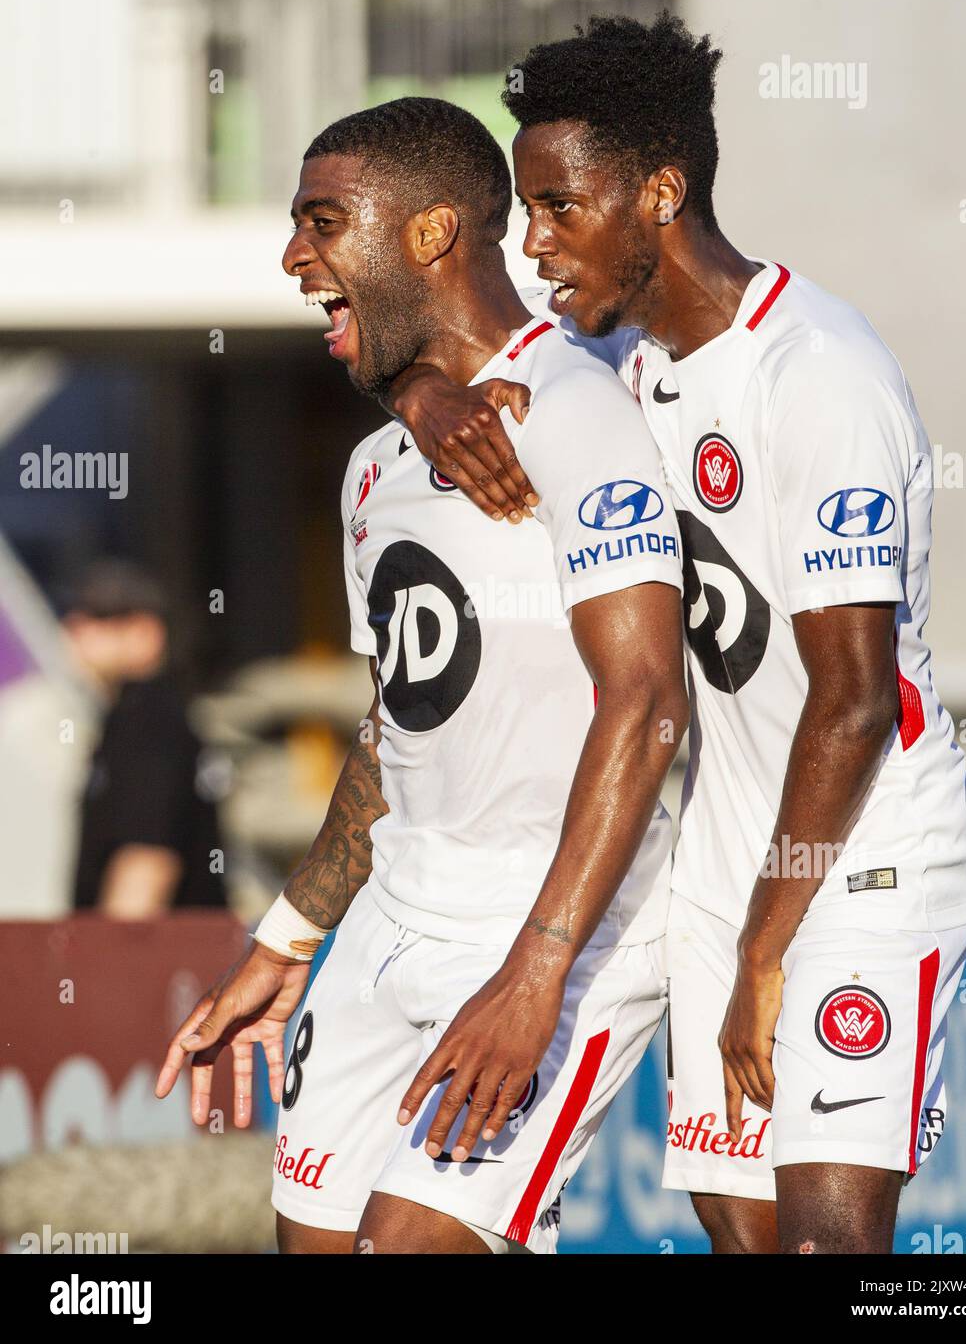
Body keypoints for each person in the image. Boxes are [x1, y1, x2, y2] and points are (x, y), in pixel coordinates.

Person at [388, 14, 966, 1255]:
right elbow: (422, 341)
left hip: (851, 862)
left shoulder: (817, 374)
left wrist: (769, 946)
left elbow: (853, 699)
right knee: (750, 1242)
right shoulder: (615, 359)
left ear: (659, 193)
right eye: (526, 209)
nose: (536, 243)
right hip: (717, 868)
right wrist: (431, 394)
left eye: (558, 207)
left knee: (830, 1250)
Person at [156, 97, 688, 1255]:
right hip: (392, 924)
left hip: (554, 935)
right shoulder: (373, 469)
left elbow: (648, 703)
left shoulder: (579, 411)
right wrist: (286, 940)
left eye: (324, 221)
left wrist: (536, 970)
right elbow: (395, 733)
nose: (296, 256)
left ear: (433, 231)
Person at [65, 559, 225, 916]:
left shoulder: (147, 718)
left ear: (145, 632)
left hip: (158, 963)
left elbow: (145, 864)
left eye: (101, 617)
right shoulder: (140, 715)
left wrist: (103, 965)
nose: (75, 626)